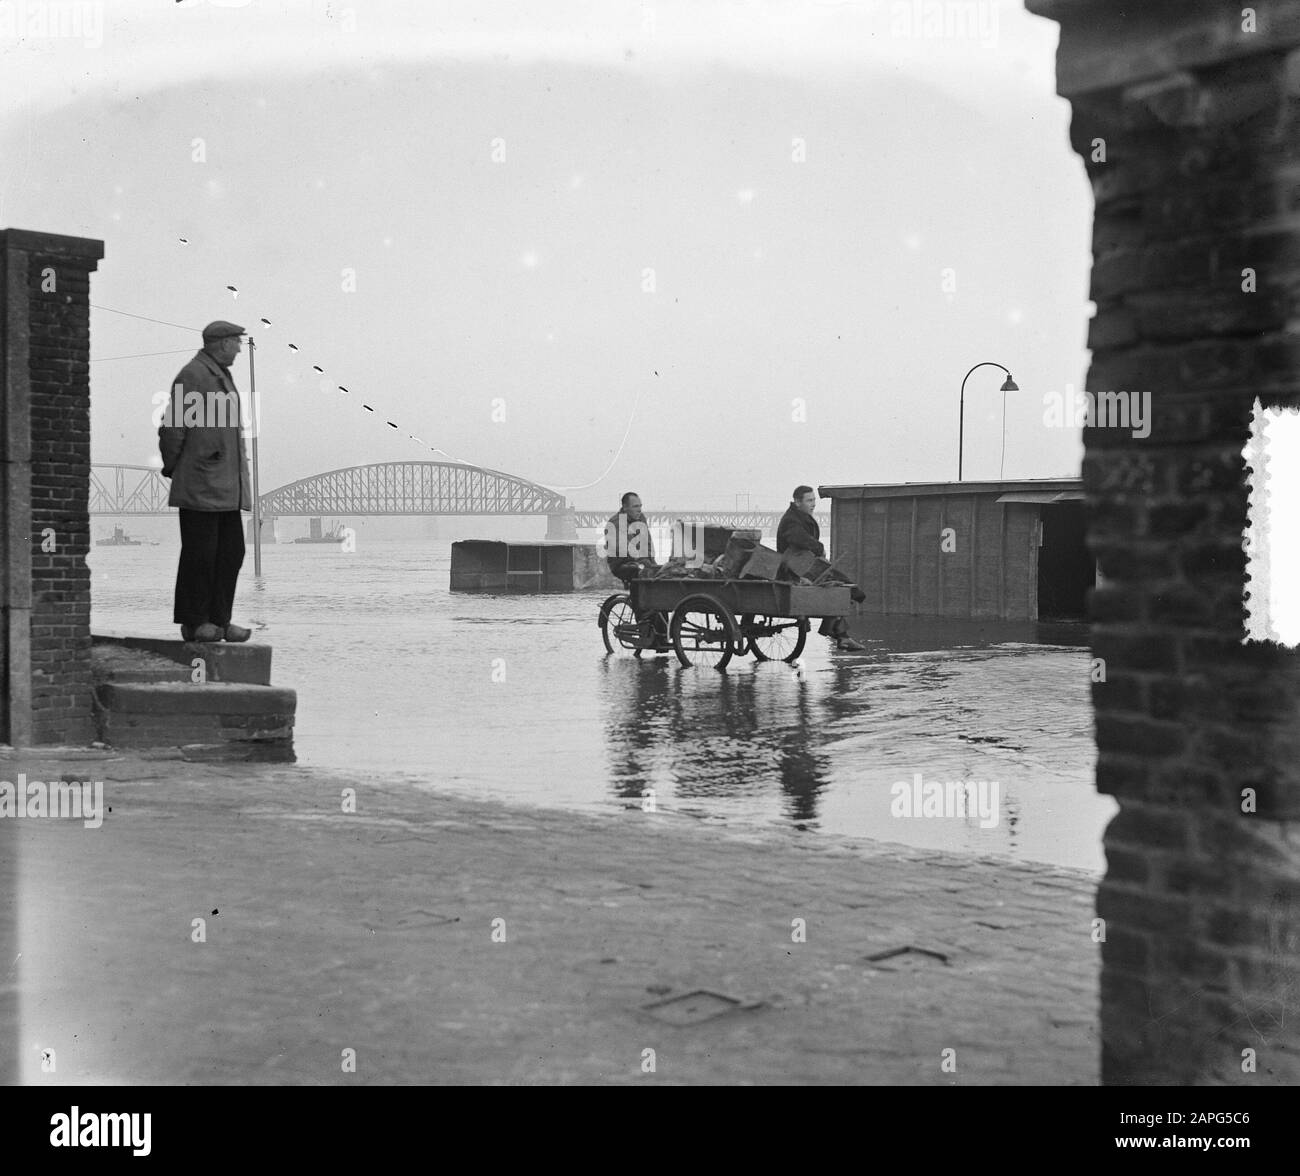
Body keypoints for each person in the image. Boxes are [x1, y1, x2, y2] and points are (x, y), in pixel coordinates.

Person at [158, 320, 253, 643]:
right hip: (202, 484)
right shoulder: (194, 375)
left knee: (231, 552)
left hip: (225, 487)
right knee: (201, 555)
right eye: (237, 342)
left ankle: (220, 621)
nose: (241, 348)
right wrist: (178, 468)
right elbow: (172, 428)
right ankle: (195, 622)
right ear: (222, 343)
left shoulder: (218, 375)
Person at [777, 485, 867, 652]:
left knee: (838, 584)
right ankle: (842, 635)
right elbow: (798, 538)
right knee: (838, 585)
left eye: (814, 500)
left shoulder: (800, 517)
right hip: (792, 569)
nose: (813, 504)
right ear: (797, 502)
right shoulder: (792, 520)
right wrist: (819, 548)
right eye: (809, 500)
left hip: (803, 565)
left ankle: (842, 634)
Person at [605, 491, 658, 582]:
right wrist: (645, 562)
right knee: (643, 569)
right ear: (625, 508)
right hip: (621, 564)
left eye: (640, 506)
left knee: (662, 571)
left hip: (640, 561)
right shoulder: (616, 523)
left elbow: (647, 542)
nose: (639, 510)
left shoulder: (640, 518)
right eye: (635, 506)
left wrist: (652, 563)